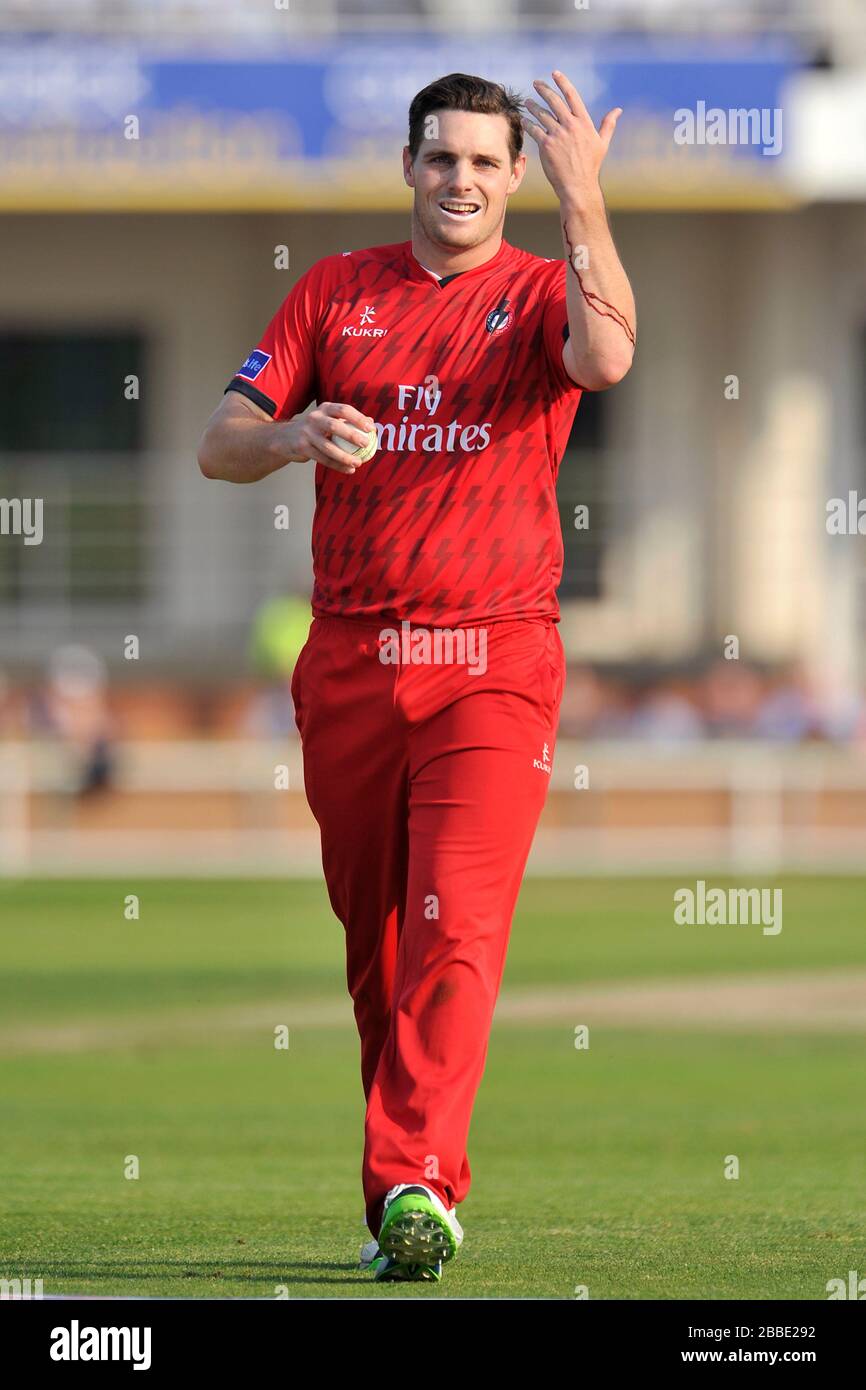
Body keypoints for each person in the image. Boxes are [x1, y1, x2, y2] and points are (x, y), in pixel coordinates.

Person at [197, 70, 635, 1284]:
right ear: (407, 165)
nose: (461, 180)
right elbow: (217, 443)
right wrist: (291, 433)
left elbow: (605, 357)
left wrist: (584, 201)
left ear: (515, 176)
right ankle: (398, 1186)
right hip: (348, 658)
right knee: (378, 944)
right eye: (441, 158)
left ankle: (416, 1181)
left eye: (486, 162)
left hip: (491, 659)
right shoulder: (334, 291)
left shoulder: (540, 289)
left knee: (456, 922)